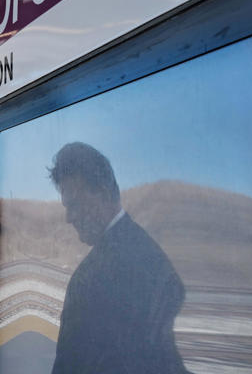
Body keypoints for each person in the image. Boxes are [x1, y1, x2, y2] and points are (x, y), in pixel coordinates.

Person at [48, 142, 189, 374]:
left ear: (102, 194)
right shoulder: (154, 256)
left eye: (74, 205)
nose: (68, 218)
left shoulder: (87, 281)